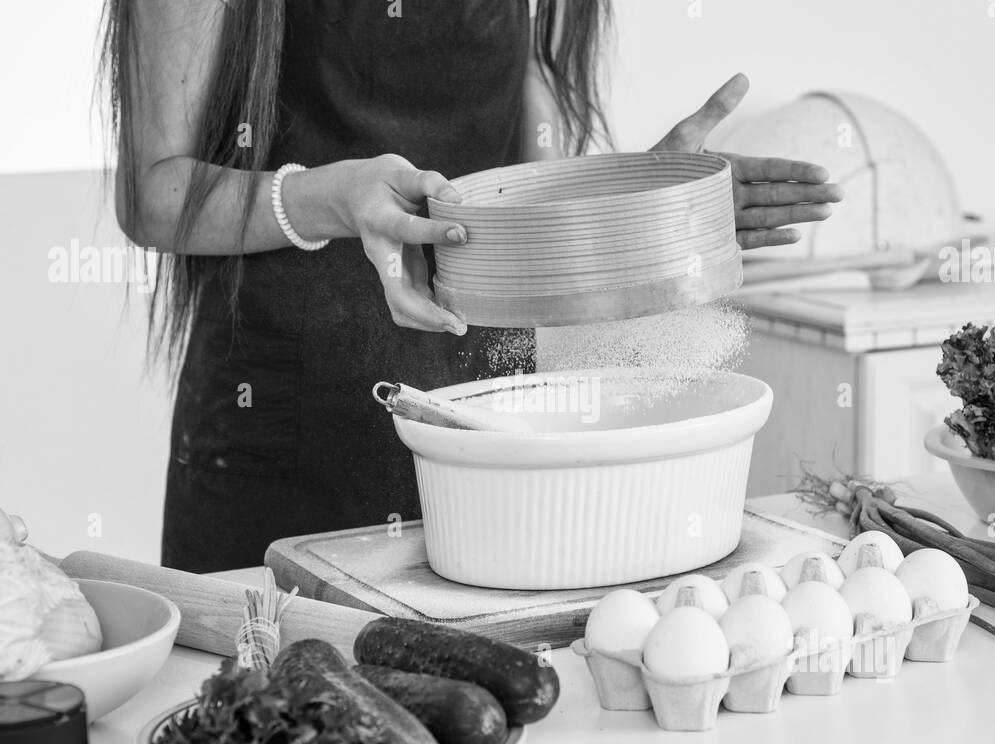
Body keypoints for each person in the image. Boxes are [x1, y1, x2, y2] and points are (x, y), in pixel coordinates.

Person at [101, 0, 842, 573]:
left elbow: (507, 204)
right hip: (289, 418)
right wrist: (335, 198)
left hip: (485, 417)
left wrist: (649, 206)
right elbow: (154, 192)